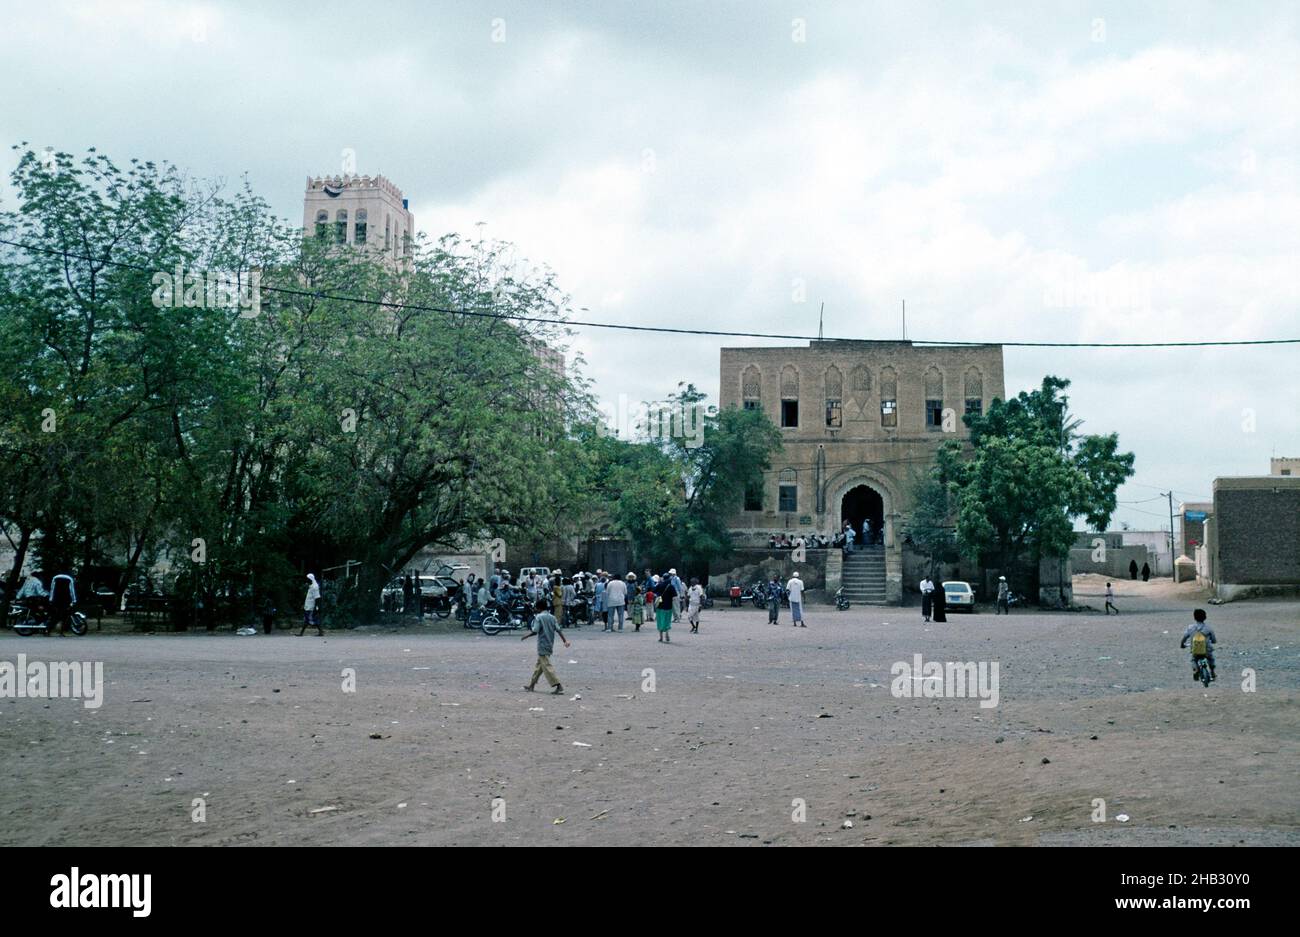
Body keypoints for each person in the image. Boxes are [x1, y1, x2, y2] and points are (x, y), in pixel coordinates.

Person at [523, 598, 570, 695]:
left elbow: (535, 631)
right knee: (539, 666)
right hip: (549, 644)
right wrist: (565, 641)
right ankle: (532, 685)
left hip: (542, 644)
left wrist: (526, 636)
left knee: (547, 666)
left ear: (538, 608)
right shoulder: (552, 617)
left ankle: (558, 685)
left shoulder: (539, 617)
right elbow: (558, 630)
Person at [1179, 608, 1217, 682]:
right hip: (1206, 650)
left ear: (1194, 617)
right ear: (1205, 617)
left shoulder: (1190, 627)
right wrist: (1211, 641)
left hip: (1195, 649)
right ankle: (1212, 672)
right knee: (1211, 659)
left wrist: (1182, 645)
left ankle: (1196, 670)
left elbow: (1184, 637)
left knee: (1194, 660)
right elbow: (1214, 640)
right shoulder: (1208, 628)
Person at [48, 571, 77, 635]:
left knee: (55, 615)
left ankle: (48, 630)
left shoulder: (55, 578)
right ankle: (62, 631)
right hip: (66, 599)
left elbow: (52, 589)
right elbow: (72, 590)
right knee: (65, 615)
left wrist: (50, 599)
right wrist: (74, 600)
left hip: (57, 598)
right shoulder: (69, 579)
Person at [655, 574, 676, 643]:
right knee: (667, 621)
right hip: (668, 607)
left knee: (660, 621)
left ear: (663, 578)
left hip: (660, 606)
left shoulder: (660, 584)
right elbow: (675, 596)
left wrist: (658, 582)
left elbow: (653, 590)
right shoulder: (671, 586)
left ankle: (661, 637)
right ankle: (667, 633)